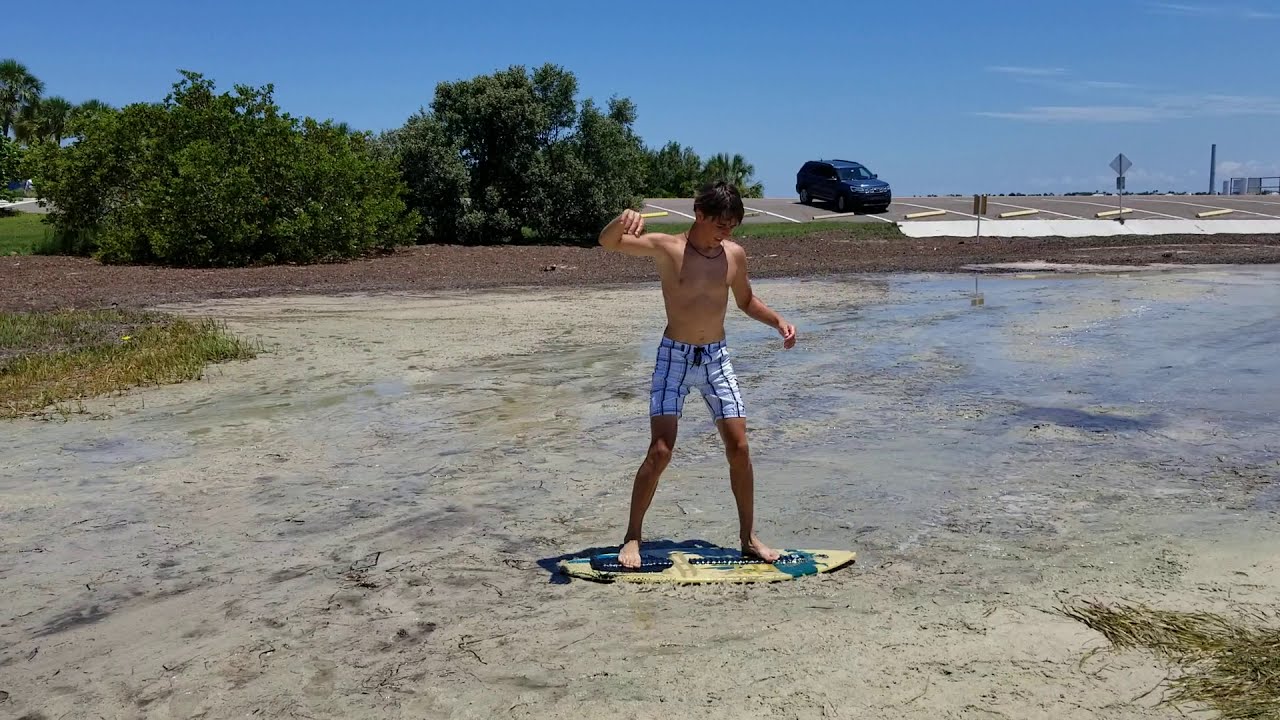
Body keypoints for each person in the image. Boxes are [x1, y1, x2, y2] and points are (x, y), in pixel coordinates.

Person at [597, 181, 798, 569]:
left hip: (716, 359)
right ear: (699, 214)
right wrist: (622, 220)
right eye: (720, 224)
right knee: (661, 450)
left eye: (732, 225)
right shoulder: (668, 248)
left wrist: (778, 321)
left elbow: (745, 300)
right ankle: (633, 536)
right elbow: (609, 242)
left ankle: (748, 539)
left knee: (739, 448)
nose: (726, 232)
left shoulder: (733, 255)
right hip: (674, 356)